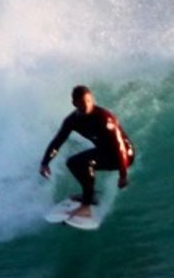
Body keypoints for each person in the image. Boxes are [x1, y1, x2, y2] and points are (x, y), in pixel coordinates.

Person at [40, 85, 135, 218]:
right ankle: (90, 195)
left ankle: (87, 204)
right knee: (73, 163)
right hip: (104, 151)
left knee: (84, 163)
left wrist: (123, 175)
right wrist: (45, 163)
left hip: (124, 154)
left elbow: (119, 146)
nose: (87, 105)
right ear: (74, 103)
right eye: (83, 103)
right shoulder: (72, 121)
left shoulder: (104, 118)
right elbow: (58, 141)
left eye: (89, 101)